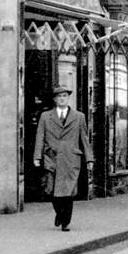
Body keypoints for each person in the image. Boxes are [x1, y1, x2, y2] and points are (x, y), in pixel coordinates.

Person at [32, 85, 93, 232]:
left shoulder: (79, 117)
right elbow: (39, 137)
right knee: (51, 189)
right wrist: (37, 156)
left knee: (67, 191)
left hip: (70, 158)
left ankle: (65, 221)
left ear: (68, 98)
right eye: (59, 96)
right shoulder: (46, 116)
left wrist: (89, 159)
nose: (62, 99)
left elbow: (84, 139)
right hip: (51, 157)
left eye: (64, 96)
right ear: (55, 99)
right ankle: (60, 213)